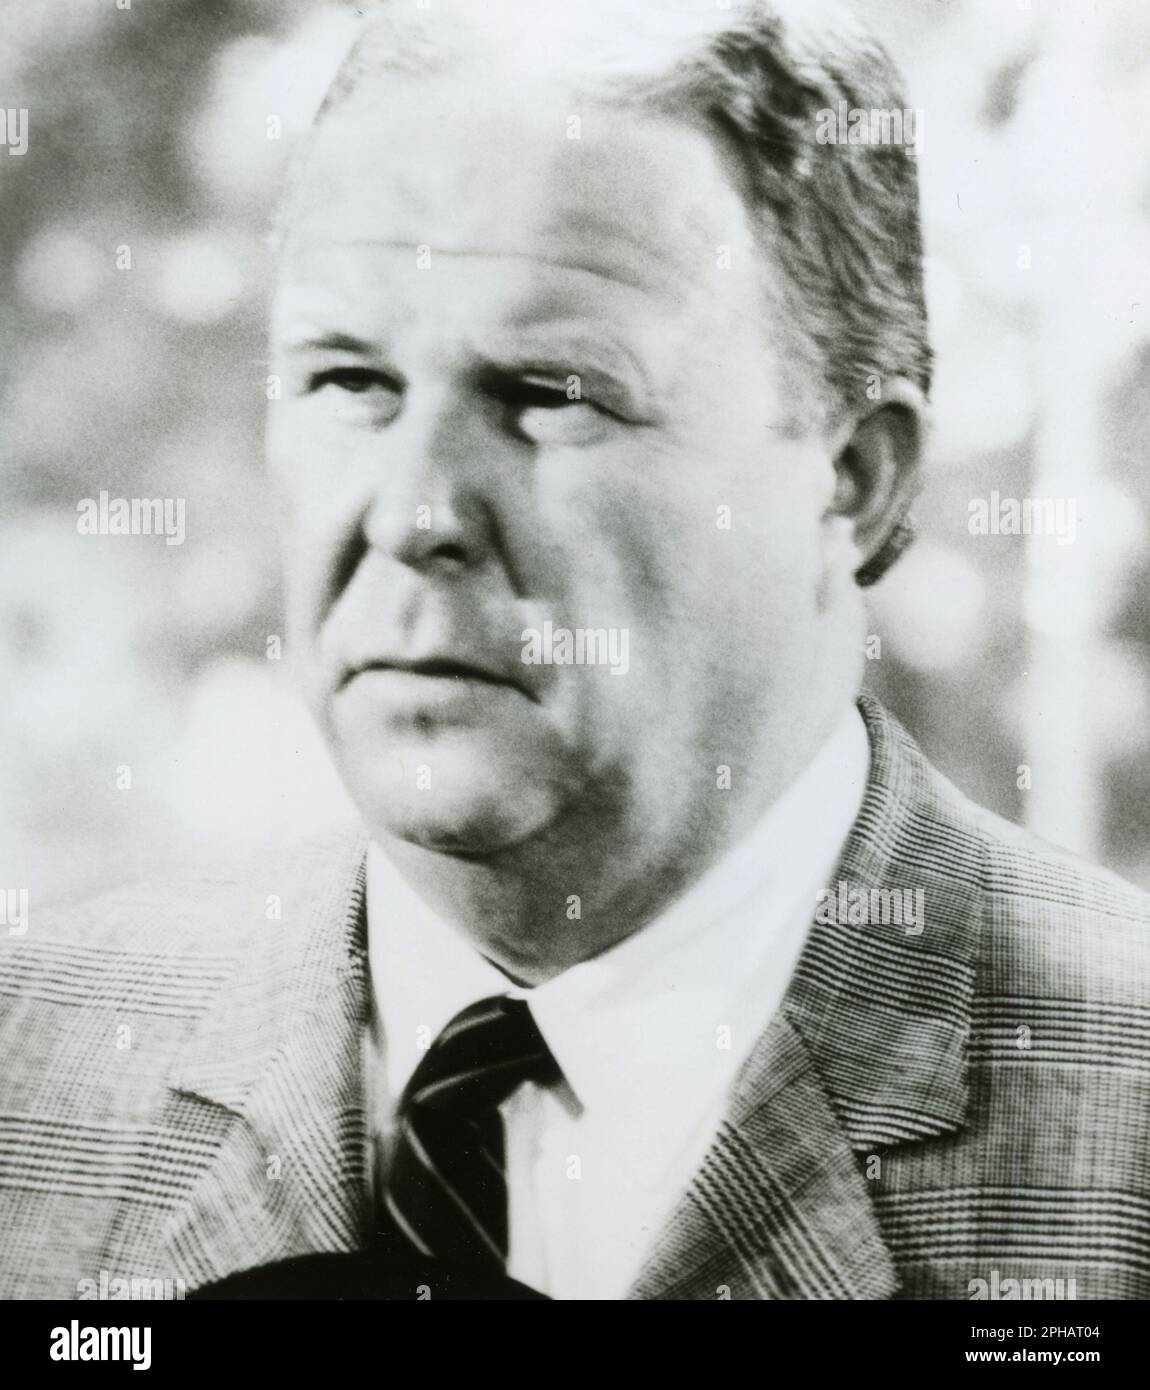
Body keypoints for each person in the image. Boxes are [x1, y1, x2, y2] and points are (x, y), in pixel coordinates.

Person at [2, 0, 1148, 1301]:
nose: (415, 508)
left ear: (852, 481)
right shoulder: (30, 1066)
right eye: (347, 381)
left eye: (549, 392)